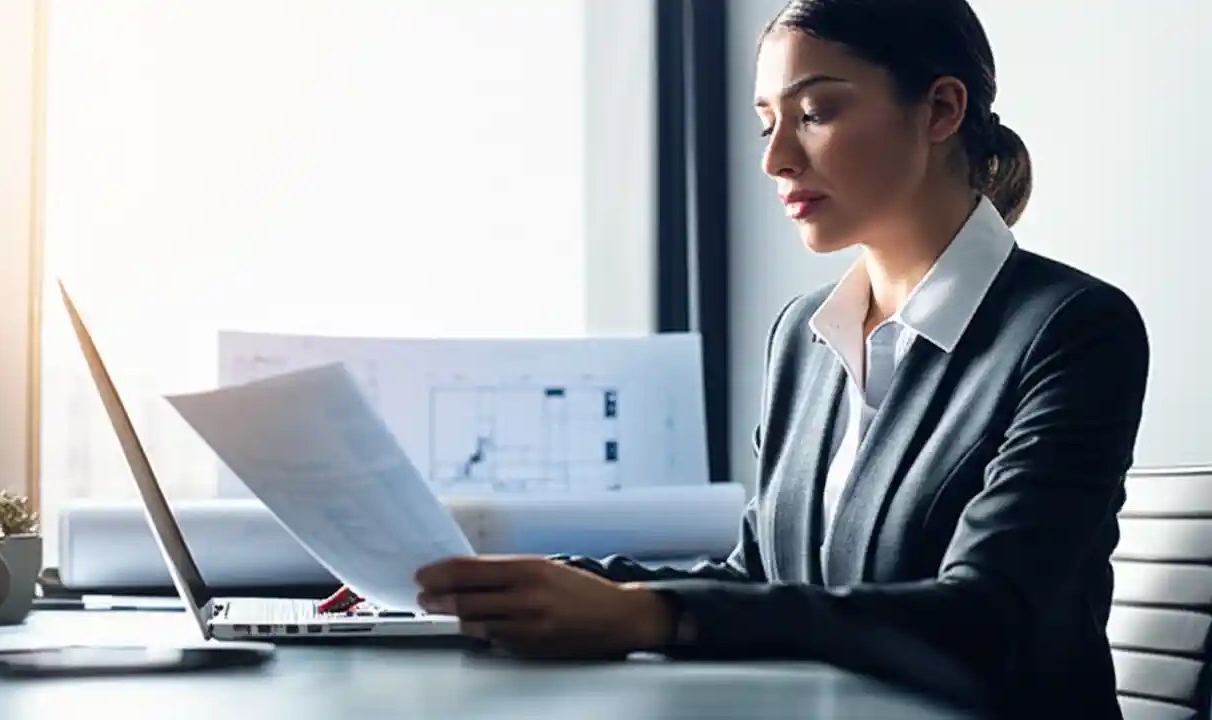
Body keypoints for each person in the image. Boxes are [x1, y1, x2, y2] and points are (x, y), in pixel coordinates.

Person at [333, 1, 1150, 715]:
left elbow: (988, 619)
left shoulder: (1072, 328)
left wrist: (657, 615)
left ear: (939, 110)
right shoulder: (804, 336)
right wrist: (482, 582)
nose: (776, 160)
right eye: (769, 123)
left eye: (817, 112)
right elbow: (760, 575)